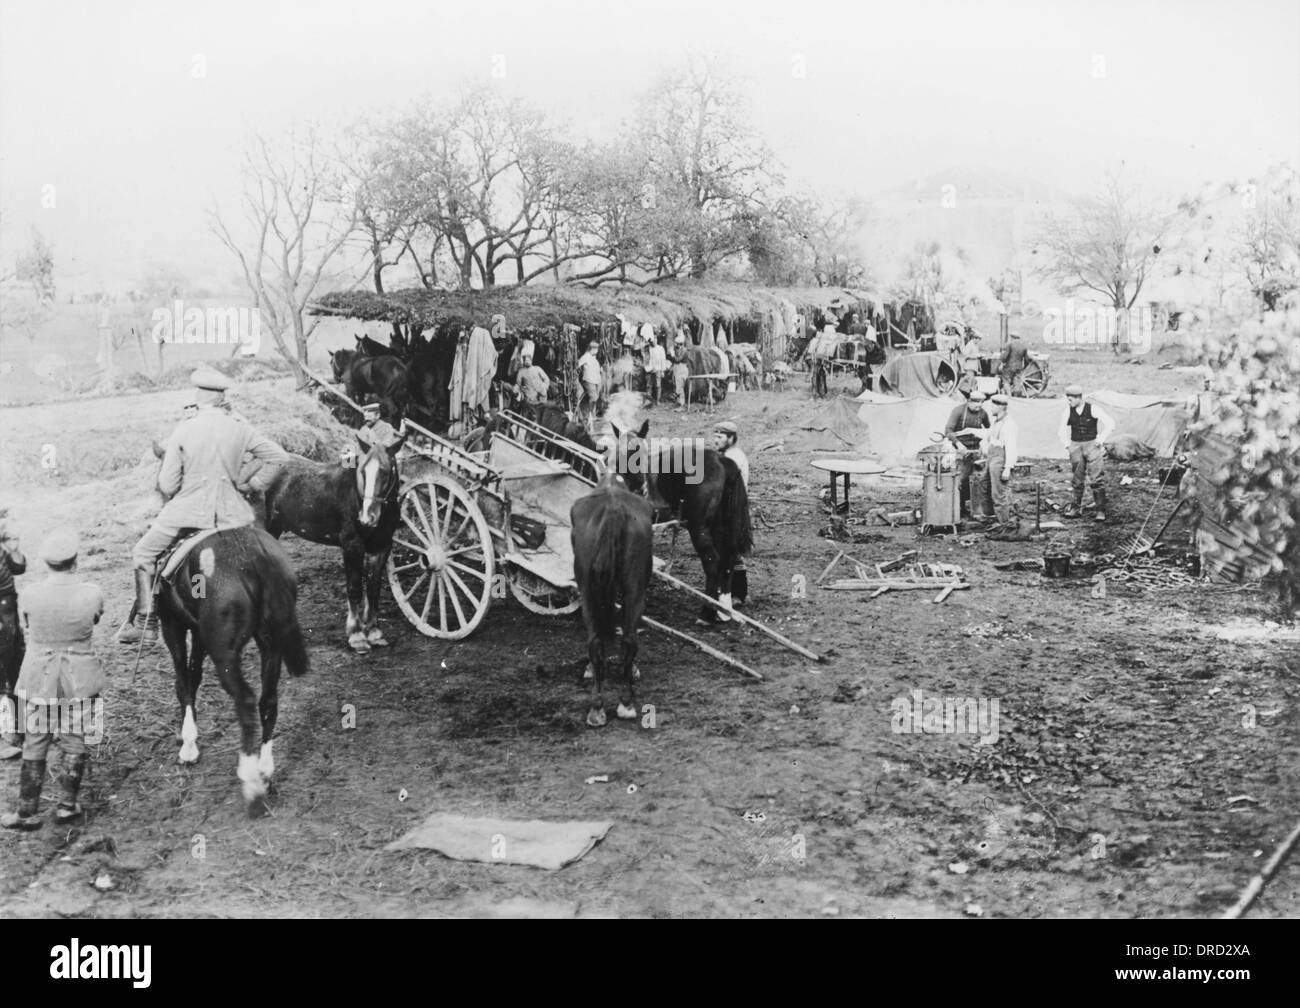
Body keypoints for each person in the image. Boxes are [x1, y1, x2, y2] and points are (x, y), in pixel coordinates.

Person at [117, 368, 289, 645]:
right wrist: (253, 483)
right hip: (234, 514)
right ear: (222, 399)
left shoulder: (184, 429)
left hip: (188, 512)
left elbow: (169, 485)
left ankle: (146, 623)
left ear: (199, 397)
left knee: (143, 553)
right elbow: (279, 457)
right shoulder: (241, 428)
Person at [1, 529, 103, 830]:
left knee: (34, 741)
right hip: (79, 675)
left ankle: (27, 812)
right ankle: (67, 806)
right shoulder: (92, 592)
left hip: (39, 675)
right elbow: (95, 619)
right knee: (75, 739)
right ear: (75, 561)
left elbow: (28, 624)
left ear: (47, 563)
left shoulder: (31, 594)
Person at [1058, 384, 1116, 521]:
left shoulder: (1093, 409)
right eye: (1068, 399)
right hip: (1076, 446)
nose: (1069, 402)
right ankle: (1075, 508)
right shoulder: (1067, 411)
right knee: (1077, 479)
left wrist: (1100, 440)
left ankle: (1100, 510)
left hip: (1092, 446)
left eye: (1071, 399)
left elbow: (1110, 423)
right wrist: (1068, 446)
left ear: (1079, 398)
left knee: (1096, 479)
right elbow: (1061, 430)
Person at [711, 420, 750, 610]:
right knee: (724, 551)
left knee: (732, 551)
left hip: (733, 508)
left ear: (731, 438)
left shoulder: (734, 457)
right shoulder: (724, 455)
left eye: (720, 437)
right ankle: (727, 591)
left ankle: (739, 594)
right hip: (723, 507)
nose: (715, 440)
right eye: (714, 436)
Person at [0, 511, 27, 760]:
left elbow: (18, 568)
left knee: (15, 665)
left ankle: (20, 727)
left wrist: (12, 545)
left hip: (8, 609)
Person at [975, 394, 1020, 530]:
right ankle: (990, 517)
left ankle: (1004, 523)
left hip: (1000, 459)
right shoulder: (996, 421)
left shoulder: (1009, 424)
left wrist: (1008, 468)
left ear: (1000, 407)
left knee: (998, 493)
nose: (990, 409)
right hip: (991, 458)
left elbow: (1011, 447)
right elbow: (989, 436)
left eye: (993, 406)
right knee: (984, 484)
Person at [944, 391, 991, 517]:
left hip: (974, 450)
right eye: (976, 403)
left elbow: (989, 430)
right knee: (961, 480)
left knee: (976, 480)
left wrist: (983, 445)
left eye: (981, 404)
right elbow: (948, 430)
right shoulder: (958, 411)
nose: (979, 406)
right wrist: (958, 445)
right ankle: (957, 508)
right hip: (959, 450)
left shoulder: (983, 413)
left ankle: (973, 507)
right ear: (969, 401)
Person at [576, 340, 604, 421]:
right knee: (594, 397)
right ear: (591, 348)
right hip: (589, 380)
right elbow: (577, 365)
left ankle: (591, 414)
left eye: (597, 349)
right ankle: (591, 414)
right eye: (595, 349)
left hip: (596, 380)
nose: (597, 351)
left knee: (595, 398)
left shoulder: (594, 358)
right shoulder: (585, 356)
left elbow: (597, 368)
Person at [1000, 332, 1030, 397]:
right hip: (1019, 368)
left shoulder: (1010, 345)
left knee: (1006, 381)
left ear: (1012, 338)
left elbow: (1005, 357)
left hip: (1009, 367)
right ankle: (1016, 397)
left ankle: (1009, 395)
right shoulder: (1024, 346)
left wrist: (1001, 359)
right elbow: (1027, 359)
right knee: (1017, 382)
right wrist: (1024, 367)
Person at [645, 336, 669, 405]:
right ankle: (648, 401)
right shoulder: (649, 349)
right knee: (649, 385)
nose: (654, 342)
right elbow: (646, 359)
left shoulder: (660, 348)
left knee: (658, 385)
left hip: (658, 369)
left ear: (657, 340)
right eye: (652, 341)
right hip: (650, 369)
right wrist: (647, 368)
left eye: (655, 340)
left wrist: (662, 371)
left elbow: (663, 360)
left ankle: (658, 400)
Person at [671, 333, 691, 412]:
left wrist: (673, 355)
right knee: (677, 385)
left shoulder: (684, 351)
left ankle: (682, 404)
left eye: (678, 344)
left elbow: (678, 359)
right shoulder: (679, 350)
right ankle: (679, 402)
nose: (677, 346)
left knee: (680, 387)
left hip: (682, 368)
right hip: (678, 368)